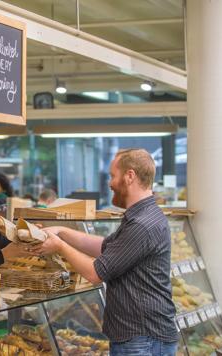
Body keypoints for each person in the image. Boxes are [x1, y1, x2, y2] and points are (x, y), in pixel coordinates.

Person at [31, 148, 178, 355]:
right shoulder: (142, 216)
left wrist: (60, 246)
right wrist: (62, 231)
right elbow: (104, 246)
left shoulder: (142, 224)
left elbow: (95, 273)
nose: (109, 183)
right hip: (142, 337)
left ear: (130, 176)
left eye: (112, 176)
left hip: (142, 340)